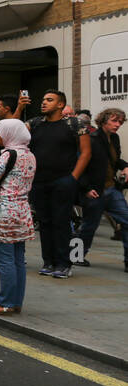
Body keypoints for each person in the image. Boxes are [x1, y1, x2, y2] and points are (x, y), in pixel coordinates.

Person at [27, 90, 90, 278]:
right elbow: (11, 130)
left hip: (63, 181)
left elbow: (86, 153)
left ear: (60, 104)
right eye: (43, 99)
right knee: (44, 223)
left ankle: (64, 263)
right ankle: (49, 261)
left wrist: (73, 178)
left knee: (61, 223)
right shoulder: (35, 123)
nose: (43, 102)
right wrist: (21, 107)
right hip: (39, 181)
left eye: (49, 100)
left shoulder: (74, 123)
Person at [0, 119, 35, 316]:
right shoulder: (29, 155)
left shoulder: (9, 155)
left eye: (0, 132)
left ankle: (5, 302)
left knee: (5, 260)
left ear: (11, 133)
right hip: (22, 211)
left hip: (4, 212)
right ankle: (16, 301)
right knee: (18, 259)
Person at [76, 108, 128, 271]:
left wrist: (125, 166)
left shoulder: (114, 138)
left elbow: (113, 160)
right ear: (103, 120)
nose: (117, 124)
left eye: (120, 121)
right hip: (95, 191)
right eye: (114, 121)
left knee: (127, 221)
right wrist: (86, 189)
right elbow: (79, 166)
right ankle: (76, 257)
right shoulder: (90, 139)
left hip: (112, 189)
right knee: (88, 227)